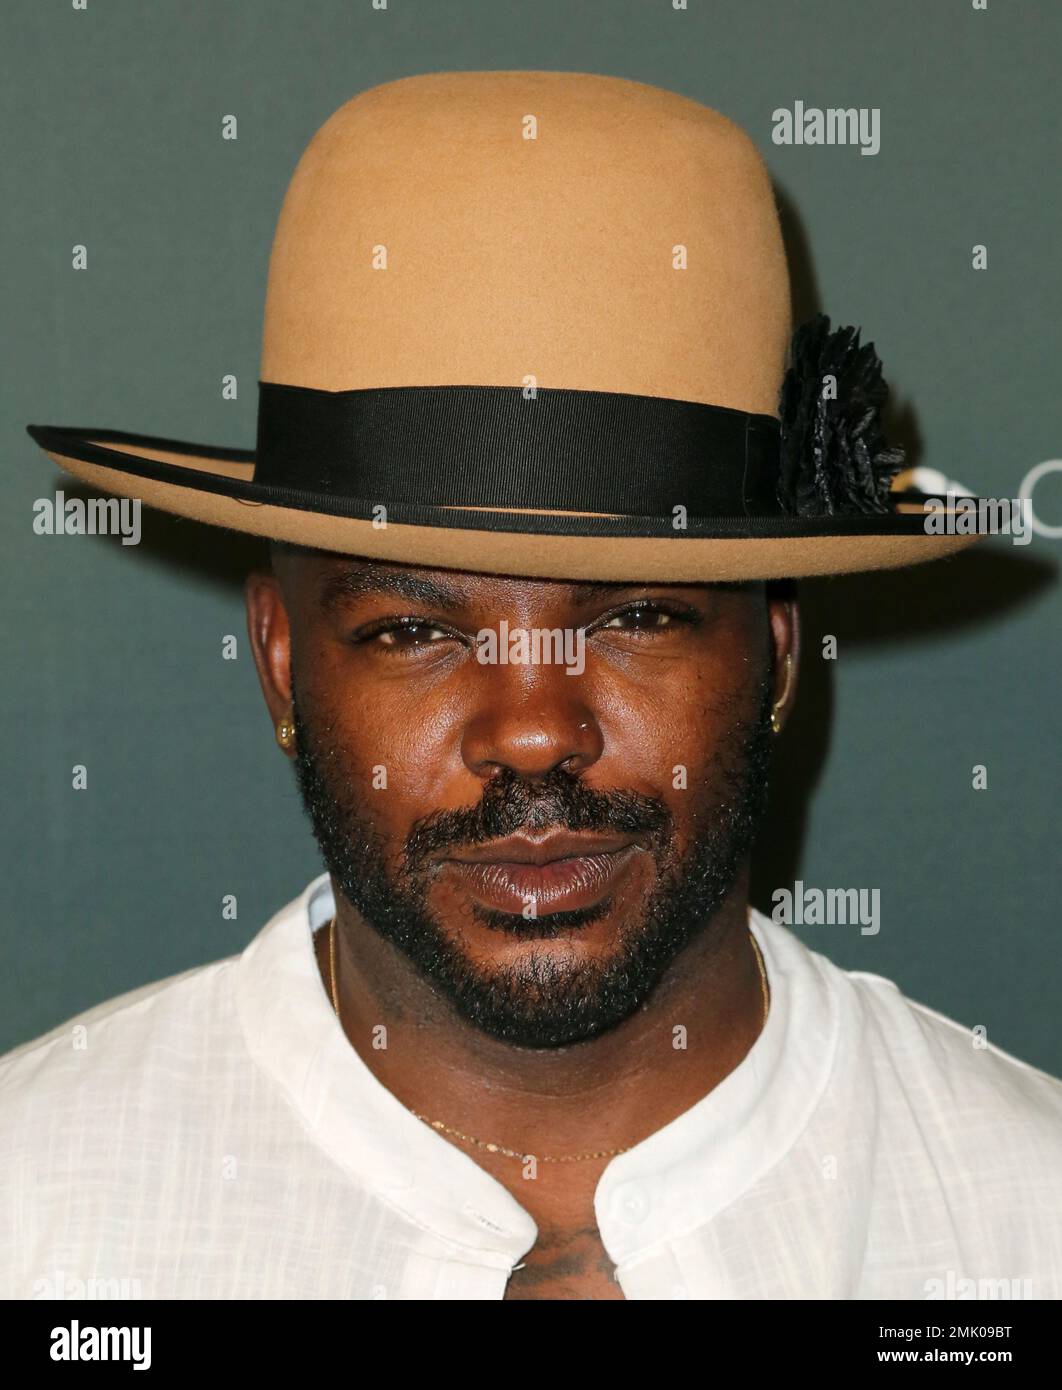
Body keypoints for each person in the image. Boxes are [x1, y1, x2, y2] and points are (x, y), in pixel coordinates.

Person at [9, 70, 1060, 1301]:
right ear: (282, 659)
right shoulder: (39, 1209)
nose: (532, 733)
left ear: (779, 651)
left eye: (638, 619)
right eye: (414, 631)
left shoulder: (1022, 1222)